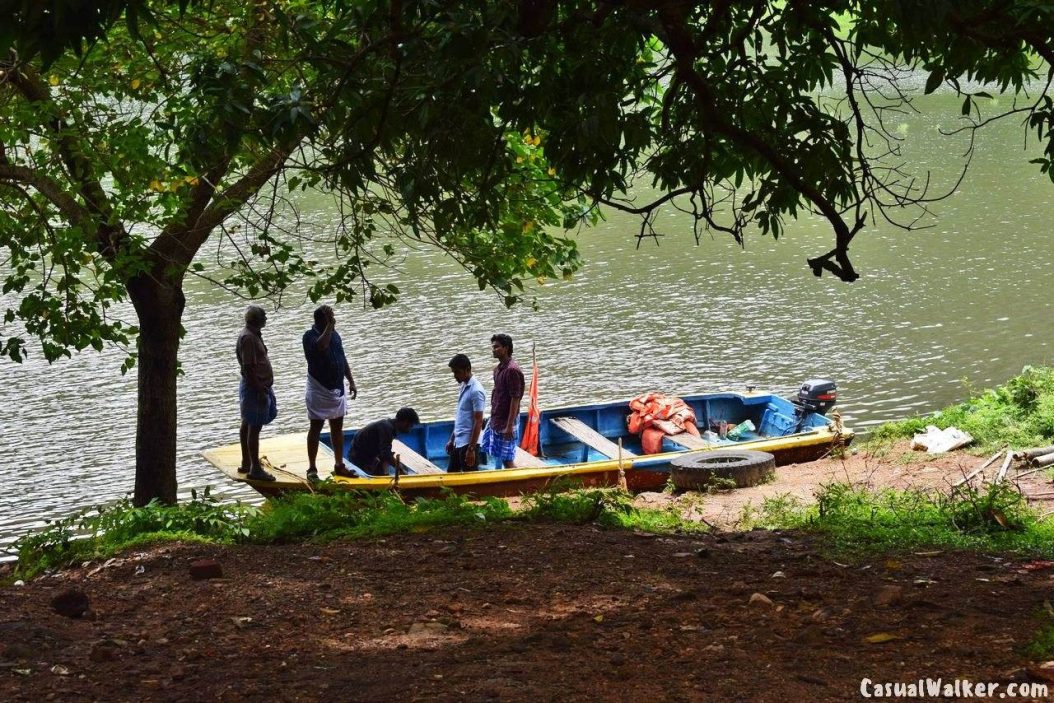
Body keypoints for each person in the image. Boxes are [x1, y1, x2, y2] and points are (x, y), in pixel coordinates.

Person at [303, 304, 358, 482]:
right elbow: (321, 346)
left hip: (337, 387)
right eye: (330, 318)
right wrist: (329, 327)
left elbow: (342, 357)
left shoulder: (335, 334)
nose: (334, 320)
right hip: (319, 388)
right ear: (321, 320)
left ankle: (339, 464)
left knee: (337, 428)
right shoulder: (309, 336)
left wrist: (351, 380)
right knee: (316, 427)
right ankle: (312, 468)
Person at [236, 305, 278, 481]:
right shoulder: (249, 338)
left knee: (248, 423)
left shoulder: (252, 335)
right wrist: (259, 389)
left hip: (258, 386)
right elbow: (248, 367)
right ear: (256, 320)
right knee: (254, 427)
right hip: (255, 388)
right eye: (264, 316)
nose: (266, 318)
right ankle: (255, 469)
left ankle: (247, 462)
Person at [481, 333, 525, 469]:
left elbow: (515, 399)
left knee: (507, 459)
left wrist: (509, 426)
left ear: (506, 348)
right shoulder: (498, 369)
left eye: (497, 347)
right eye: (493, 347)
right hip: (497, 417)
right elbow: (498, 394)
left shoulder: (512, 370)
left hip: (507, 420)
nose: (493, 350)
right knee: (497, 453)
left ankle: (519, 485)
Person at [347, 407, 421, 476]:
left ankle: (382, 475)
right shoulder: (387, 428)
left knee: (385, 460)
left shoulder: (389, 426)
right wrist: (400, 468)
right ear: (405, 422)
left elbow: (384, 452)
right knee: (387, 459)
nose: (410, 429)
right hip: (358, 457)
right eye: (410, 426)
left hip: (368, 454)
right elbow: (386, 454)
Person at [445, 354, 485, 472]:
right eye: (453, 372)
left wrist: (471, 449)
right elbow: (461, 416)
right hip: (459, 441)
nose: (455, 376)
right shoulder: (463, 385)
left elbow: (478, 421)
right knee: (451, 475)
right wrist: (452, 439)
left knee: (471, 477)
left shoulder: (476, 391)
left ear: (467, 369)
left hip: (469, 443)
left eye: (457, 372)